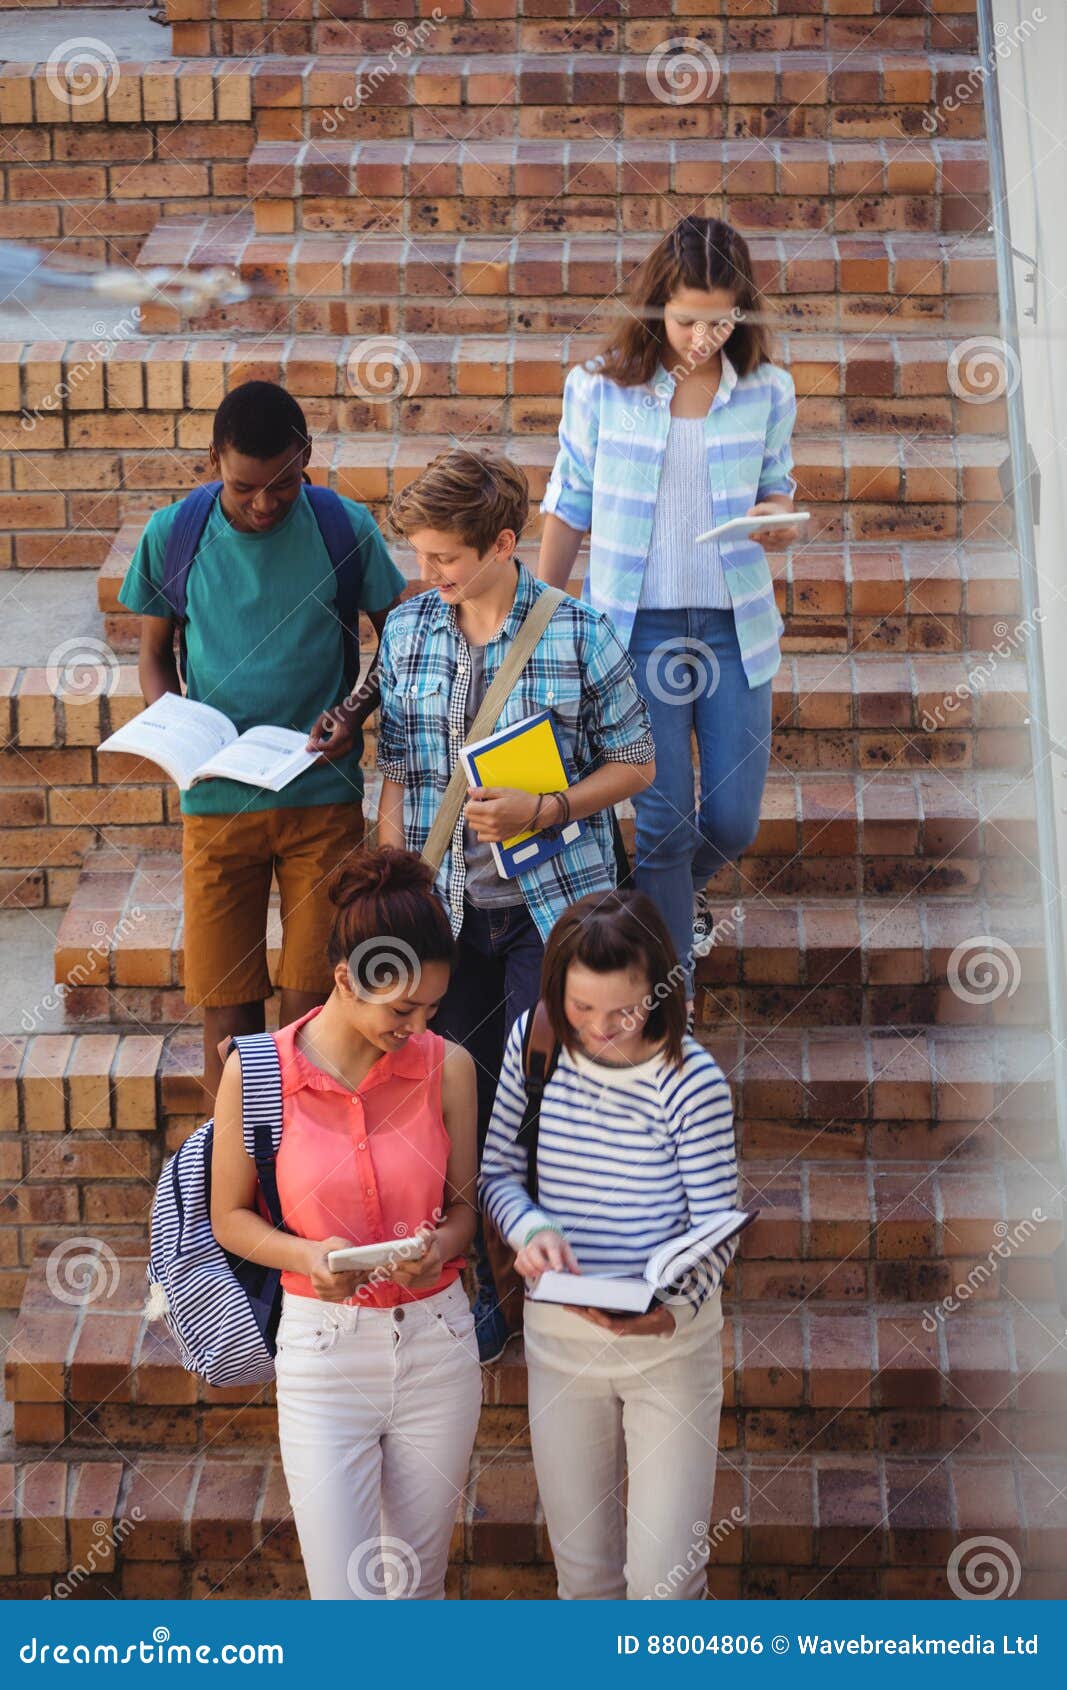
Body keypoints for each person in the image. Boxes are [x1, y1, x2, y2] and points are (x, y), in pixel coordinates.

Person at [375, 447, 655, 1361]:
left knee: (543, 1103)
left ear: (502, 543)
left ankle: (562, 1289)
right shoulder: (409, 631)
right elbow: (398, 775)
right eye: (420, 556)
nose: (429, 576)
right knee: (449, 1106)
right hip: (444, 918)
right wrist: (390, 899)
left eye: (445, 559)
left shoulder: (581, 633)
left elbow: (637, 764)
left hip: (553, 912)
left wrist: (548, 807)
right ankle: (480, 1294)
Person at [537, 215, 800, 1003]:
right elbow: (569, 501)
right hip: (637, 633)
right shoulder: (599, 386)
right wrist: (541, 614)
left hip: (730, 629)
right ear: (656, 305)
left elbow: (775, 486)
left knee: (728, 822)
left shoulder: (765, 390)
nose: (701, 335)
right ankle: (666, 1011)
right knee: (663, 828)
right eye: (686, 318)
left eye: (719, 319)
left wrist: (778, 517)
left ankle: (653, 900)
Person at [118, 380, 405, 1098]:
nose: (264, 503)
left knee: (313, 1005)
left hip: (318, 800)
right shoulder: (174, 534)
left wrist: (353, 713)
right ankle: (232, 1178)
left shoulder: (342, 527)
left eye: (282, 484)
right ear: (215, 459)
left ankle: (298, 1180)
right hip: (215, 806)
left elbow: (400, 635)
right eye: (244, 486)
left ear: (305, 456)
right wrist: (173, 723)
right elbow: (154, 655)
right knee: (228, 1013)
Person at [210, 847, 482, 1601]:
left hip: (438, 1343)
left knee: (415, 1594)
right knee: (345, 1602)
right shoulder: (258, 1071)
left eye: (430, 1007)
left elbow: (465, 1212)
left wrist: (439, 1251)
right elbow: (228, 1217)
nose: (418, 1025)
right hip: (322, 1357)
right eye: (402, 1010)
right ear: (344, 980)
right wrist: (307, 1253)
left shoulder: (447, 1067)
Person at [480, 890, 739, 1601]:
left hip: (670, 1354)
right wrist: (530, 1229)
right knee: (585, 1583)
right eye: (580, 1009)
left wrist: (672, 1307)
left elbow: (715, 1230)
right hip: (560, 1346)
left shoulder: (693, 1082)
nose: (598, 1030)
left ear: (658, 991)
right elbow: (496, 1173)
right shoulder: (531, 1045)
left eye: (621, 1011)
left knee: (667, 1585)